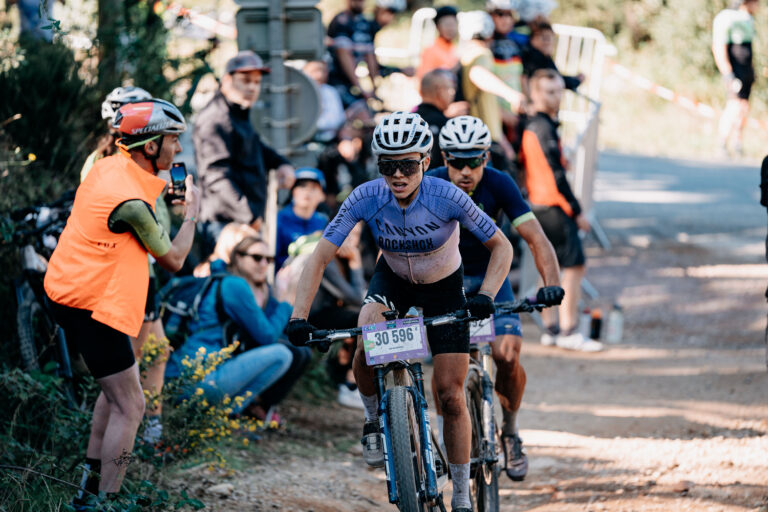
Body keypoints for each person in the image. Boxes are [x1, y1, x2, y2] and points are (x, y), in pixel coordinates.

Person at [286, 111, 513, 512]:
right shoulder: (365, 196)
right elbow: (319, 257)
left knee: (450, 394)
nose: (398, 175)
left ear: (426, 161)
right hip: (391, 281)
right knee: (362, 340)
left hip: (445, 288)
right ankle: (374, 420)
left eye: (407, 164)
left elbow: (502, 246)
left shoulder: (448, 195)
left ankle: (461, 494)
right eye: (388, 166)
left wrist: (488, 295)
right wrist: (298, 317)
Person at [43, 99, 199, 501]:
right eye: (173, 141)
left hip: (71, 291)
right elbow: (175, 260)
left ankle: (88, 493)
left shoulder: (108, 165)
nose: (178, 149)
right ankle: (105, 502)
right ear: (150, 147)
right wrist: (192, 215)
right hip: (91, 305)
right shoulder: (129, 201)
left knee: (113, 393)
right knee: (131, 405)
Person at [428, 115, 563, 480]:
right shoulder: (431, 184)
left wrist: (551, 283)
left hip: (493, 273)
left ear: (487, 157)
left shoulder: (500, 184)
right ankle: (449, 441)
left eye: (474, 161)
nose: (466, 170)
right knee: (447, 368)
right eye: (457, 161)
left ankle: (511, 430)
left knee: (507, 352)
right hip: (446, 278)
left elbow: (537, 238)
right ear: (443, 158)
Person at [81, 86, 171, 446]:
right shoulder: (104, 165)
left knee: (157, 351)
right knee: (130, 362)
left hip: (147, 267)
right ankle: (130, 432)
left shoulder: (143, 163)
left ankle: (150, 425)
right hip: (128, 272)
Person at [165, 236, 299, 420]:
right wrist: (286, 302)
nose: (263, 264)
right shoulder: (235, 285)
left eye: (269, 259)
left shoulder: (221, 280)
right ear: (237, 257)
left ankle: (224, 415)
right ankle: (228, 414)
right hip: (198, 382)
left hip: (176, 377)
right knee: (282, 354)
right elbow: (267, 336)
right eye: (256, 257)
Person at [520, 69, 603, 352]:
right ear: (535, 94)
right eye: (549, 92)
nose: (556, 98)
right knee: (574, 267)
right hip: (552, 205)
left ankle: (552, 329)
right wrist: (576, 210)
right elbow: (556, 175)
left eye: (559, 91)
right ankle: (567, 330)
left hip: (540, 205)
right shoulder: (541, 128)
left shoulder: (538, 125)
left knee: (550, 268)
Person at [194, 50, 295, 256]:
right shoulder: (215, 119)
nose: (252, 87)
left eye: (257, 82)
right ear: (226, 80)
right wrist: (249, 216)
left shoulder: (238, 112)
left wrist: (281, 163)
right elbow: (216, 177)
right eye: (245, 80)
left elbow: (254, 146)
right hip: (224, 225)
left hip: (243, 223)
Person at [459, 10, 522, 165]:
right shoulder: (482, 54)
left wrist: (503, 142)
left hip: (483, 137)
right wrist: (511, 95)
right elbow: (478, 74)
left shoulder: (467, 53)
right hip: (483, 140)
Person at [326, 0, 405, 107]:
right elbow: (343, 54)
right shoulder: (341, 20)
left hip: (352, 82)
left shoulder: (365, 22)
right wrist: (361, 88)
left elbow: (370, 55)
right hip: (336, 80)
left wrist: (374, 87)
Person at [712, 0, 759, 157]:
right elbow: (719, 47)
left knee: (743, 106)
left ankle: (737, 143)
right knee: (733, 106)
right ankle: (722, 143)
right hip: (735, 71)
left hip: (746, 71)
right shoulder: (726, 18)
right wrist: (728, 74)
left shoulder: (748, 19)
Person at [276, 168, 329, 270]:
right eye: (302, 186)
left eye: (313, 187)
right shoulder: (279, 220)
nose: (307, 192)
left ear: (322, 195)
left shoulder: (324, 222)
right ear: (293, 191)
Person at [416, 69, 469, 170]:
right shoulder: (447, 126)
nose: (453, 94)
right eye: (450, 89)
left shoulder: (409, 121)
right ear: (439, 91)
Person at [522, 21, 584, 94]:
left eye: (550, 38)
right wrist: (577, 80)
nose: (548, 42)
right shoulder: (535, 57)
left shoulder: (541, 57)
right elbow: (556, 79)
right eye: (545, 38)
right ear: (533, 39)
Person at [304, 60, 347, 143]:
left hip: (330, 140)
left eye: (323, 71)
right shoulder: (299, 93)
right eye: (314, 71)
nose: (319, 75)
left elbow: (337, 120)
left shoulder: (331, 91)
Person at [416, 6, 460, 80]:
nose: (450, 28)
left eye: (453, 24)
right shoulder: (431, 51)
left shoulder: (454, 49)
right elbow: (423, 81)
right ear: (438, 27)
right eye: (447, 24)